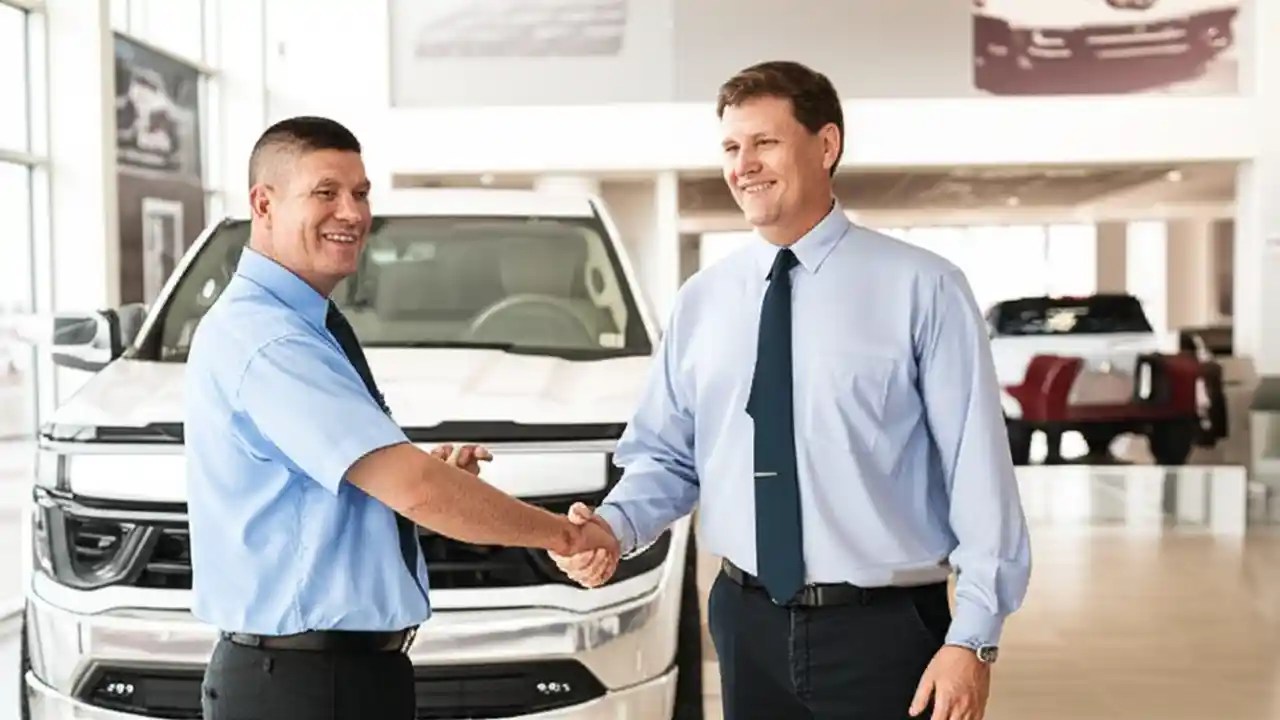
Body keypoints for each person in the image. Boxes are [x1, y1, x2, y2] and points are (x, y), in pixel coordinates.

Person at [551, 61, 1032, 720]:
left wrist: (973, 639)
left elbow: (978, 472)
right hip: (746, 626)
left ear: (826, 145)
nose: (742, 164)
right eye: (730, 147)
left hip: (887, 636)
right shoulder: (703, 301)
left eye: (764, 142)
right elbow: (669, 456)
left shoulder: (924, 288)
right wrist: (613, 525)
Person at [184, 115, 618, 720]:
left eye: (360, 193)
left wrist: (427, 479)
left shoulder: (301, 326)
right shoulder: (271, 341)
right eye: (326, 192)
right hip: (305, 687)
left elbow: (347, 486)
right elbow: (412, 489)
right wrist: (564, 537)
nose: (353, 212)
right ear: (264, 203)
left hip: (330, 675)